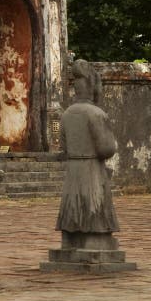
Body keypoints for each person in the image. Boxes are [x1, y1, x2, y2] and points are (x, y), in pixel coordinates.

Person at [56, 60, 120, 239]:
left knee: (73, 206)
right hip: (92, 169)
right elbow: (107, 149)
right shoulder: (96, 114)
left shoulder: (67, 114)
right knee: (93, 207)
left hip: (73, 169)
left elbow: (63, 145)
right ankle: (95, 235)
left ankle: (71, 235)